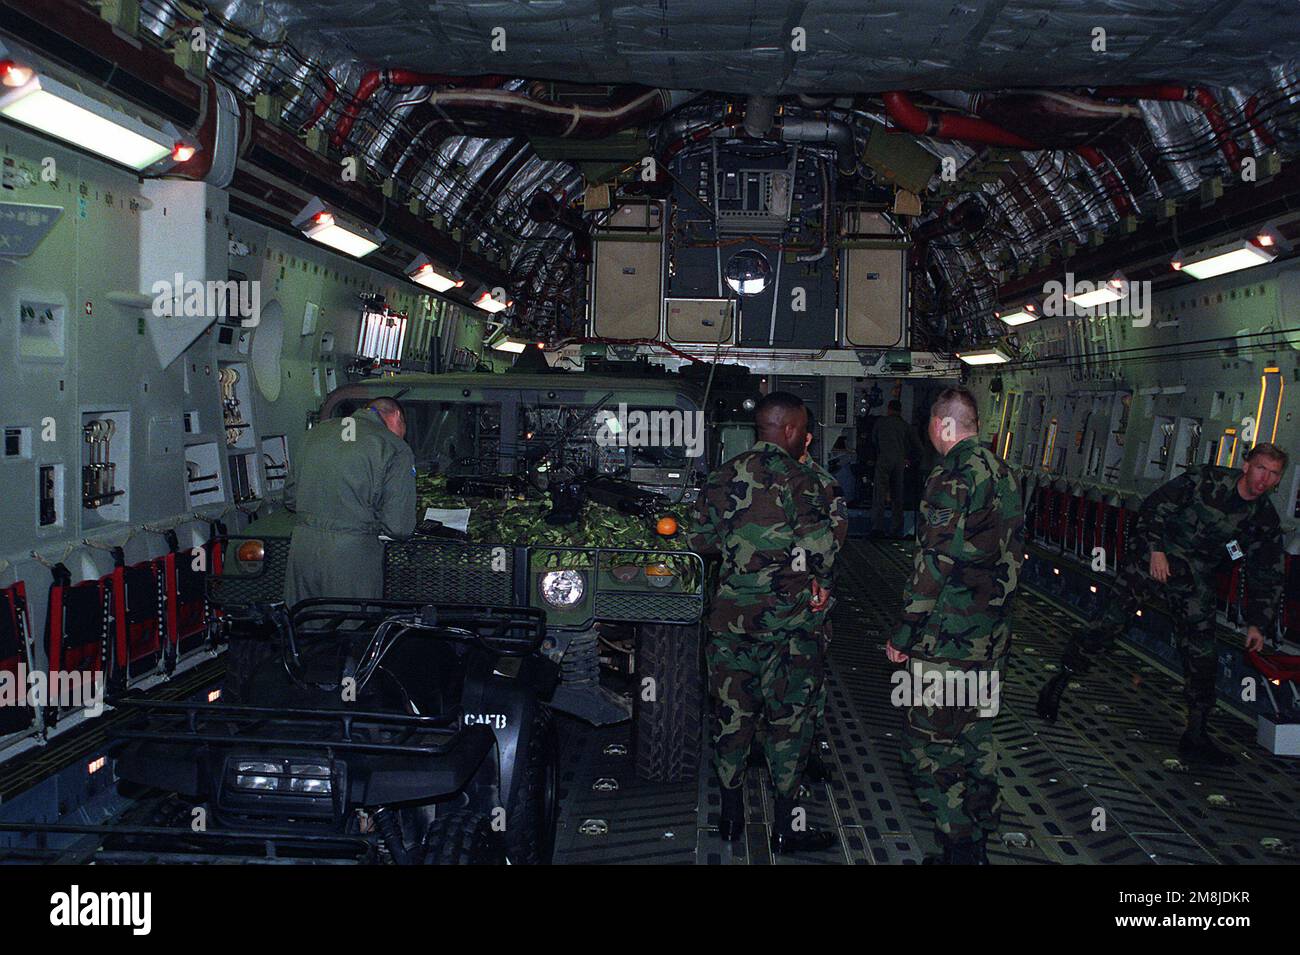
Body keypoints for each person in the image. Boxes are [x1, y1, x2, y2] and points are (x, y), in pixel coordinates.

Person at [1037, 443, 1288, 766]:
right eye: (1260, 468)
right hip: (1155, 557)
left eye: (1273, 474)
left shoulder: (1264, 518)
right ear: (1246, 465)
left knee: (1203, 652)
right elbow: (1155, 507)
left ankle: (1196, 733)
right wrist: (1155, 549)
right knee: (1109, 623)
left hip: (1194, 576)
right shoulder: (1205, 480)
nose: (1264, 479)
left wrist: (1257, 623)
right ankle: (1059, 680)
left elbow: (1266, 571)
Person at [687, 391, 845, 854]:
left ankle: (731, 816)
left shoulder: (720, 476)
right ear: (794, 431)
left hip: (730, 621)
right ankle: (785, 826)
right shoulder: (805, 481)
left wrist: (744, 553)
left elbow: (699, 540)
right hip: (790, 626)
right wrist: (824, 586)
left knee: (731, 717)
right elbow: (822, 549)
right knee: (788, 722)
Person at [885, 387, 1024, 864]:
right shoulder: (1004, 471)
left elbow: (936, 560)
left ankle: (958, 845)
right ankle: (979, 840)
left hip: (949, 638)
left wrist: (904, 632)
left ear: (942, 425)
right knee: (976, 740)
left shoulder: (952, 476)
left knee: (926, 749)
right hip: (992, 638)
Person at [283, 397, 418, 605]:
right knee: (351, 627)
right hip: (351, 557)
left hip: (302, 550)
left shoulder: (315, 433)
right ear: (397, 416)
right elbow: (399, 527)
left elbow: (291, 498)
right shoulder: (394, 447)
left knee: (304, 625)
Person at [798, 410, 849, 783]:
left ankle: (806, 747)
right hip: (766, 598)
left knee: (809, 674)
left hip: (809, 595)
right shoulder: (759, 477)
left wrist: (818, 579)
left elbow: (835, 537)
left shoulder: (823, 484)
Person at [871, 399, 921, 538]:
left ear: (889, 409)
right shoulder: (906, 426)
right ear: (900, 410)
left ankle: (877, 528)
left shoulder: (881, 423)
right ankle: (896, 529)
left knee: (879, 495)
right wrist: (910, 460)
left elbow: (873, 441)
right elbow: (918, 447)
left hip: (884, 460)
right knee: (897, 497)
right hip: (899, 462)